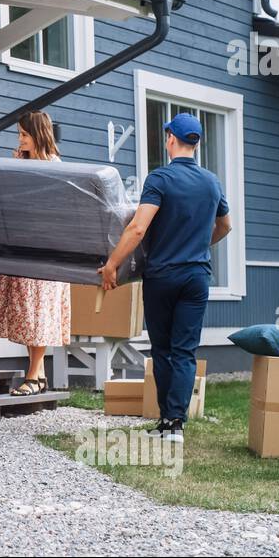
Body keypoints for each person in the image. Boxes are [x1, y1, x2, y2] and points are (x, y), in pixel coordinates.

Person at [98, 112, 232, 443]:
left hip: (163, 276)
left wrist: (112, 264)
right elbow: (226, 226)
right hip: (197, 277)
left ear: (170, 138)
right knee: (185, 350)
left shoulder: (160, 179)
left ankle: (166, 422)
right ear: (196, 144)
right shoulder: (212, 182)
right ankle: (175, 425)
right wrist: (201, 244)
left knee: (162, 350)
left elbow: (138, 227)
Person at [0, 111, 71, 396]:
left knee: (39, 313)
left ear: (38, 135)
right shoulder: (19, 162)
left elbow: (57, 210)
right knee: (26, 311)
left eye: (24, 134)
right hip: (21, 247)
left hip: (46, 251)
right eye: (19, 134)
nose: (20, 139)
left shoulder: (55, 166)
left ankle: (33, 375)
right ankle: (40, 374)